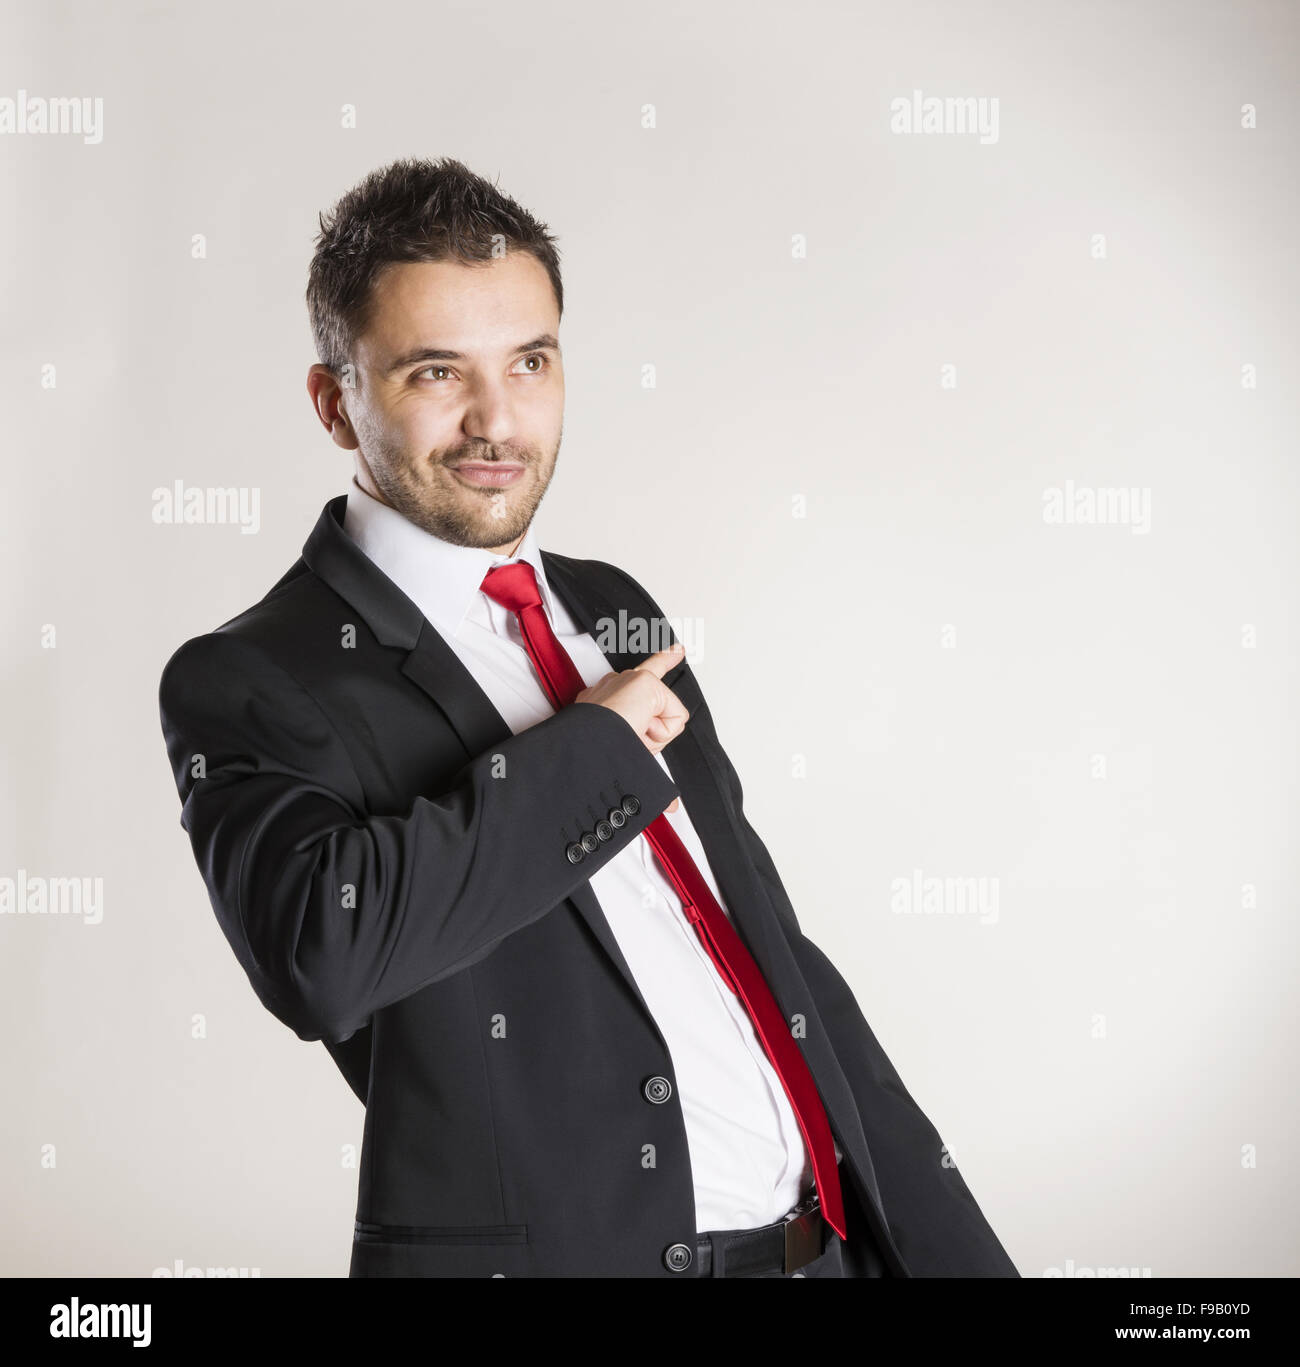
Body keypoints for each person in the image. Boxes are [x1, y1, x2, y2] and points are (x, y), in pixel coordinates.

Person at [158, 156, 1019, 1278]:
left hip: (830, 1251)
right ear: (335, 402)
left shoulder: (612, 605)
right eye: (434, 372)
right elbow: (325, 955)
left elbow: (773, 952)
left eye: (531, 361)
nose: (497, 420)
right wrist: (593, 753)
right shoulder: (253, 674)